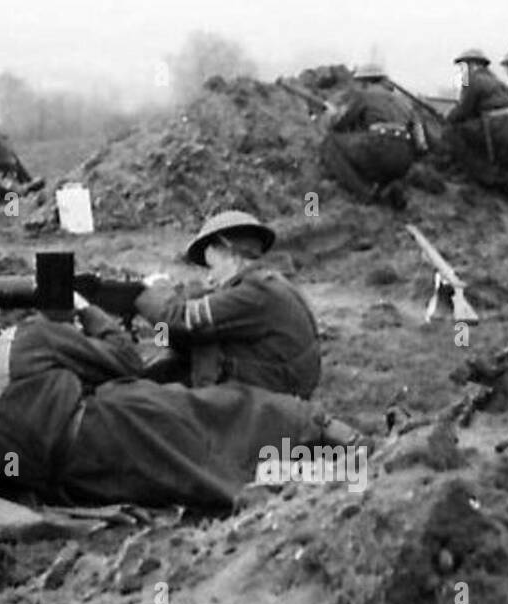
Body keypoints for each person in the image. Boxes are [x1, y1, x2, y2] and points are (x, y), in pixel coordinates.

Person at [0, 280, 352, 510]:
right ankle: (352, 448)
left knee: (199, 478)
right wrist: (89, 311)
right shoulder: (27, 339)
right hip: (118, 424)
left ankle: (300, 477)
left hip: (77, 485)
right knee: (237, 411)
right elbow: (126, 360)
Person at [134, 210, 322, 399]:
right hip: (280, 393)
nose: (210, 277)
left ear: (230, 254)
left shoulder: (256, 292)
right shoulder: (268, 283)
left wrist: (152, 290)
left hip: (268, 404)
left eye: (212, 267)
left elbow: (179, 319)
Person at [443, 48, 508, 214]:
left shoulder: (471, 80)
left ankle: (464, 172)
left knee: (454, 132)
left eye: (463, 66)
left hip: (495, 128)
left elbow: (464, 109)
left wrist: (447, 119)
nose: (462, 70)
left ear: (472, 64)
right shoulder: (495, 80)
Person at [319, 63, 417, 209]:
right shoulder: (404, 101)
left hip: (379, 146)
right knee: (376, 158)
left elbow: (339, 124)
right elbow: (420, 140)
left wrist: (330, 115)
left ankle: (366, 191)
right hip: (405, 156)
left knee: (330, 143)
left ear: (365, 82)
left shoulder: (365, 96)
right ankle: (390, 187)